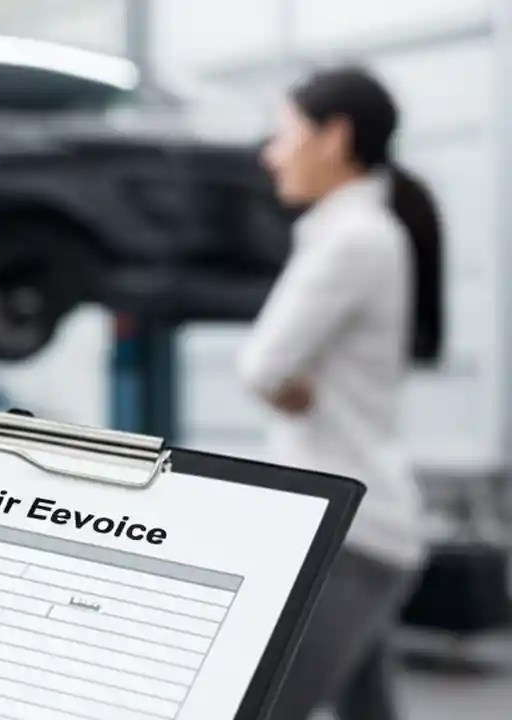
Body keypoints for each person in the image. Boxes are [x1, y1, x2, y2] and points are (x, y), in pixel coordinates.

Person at [239, 67, 443, 720]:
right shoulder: (364, 230)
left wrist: (287, 389)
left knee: (261, 708)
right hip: (365, 522)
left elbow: (262, 365)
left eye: (284, 134)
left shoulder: (352, 238)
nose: (272, 154)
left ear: (335, 138)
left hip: (347, 529)